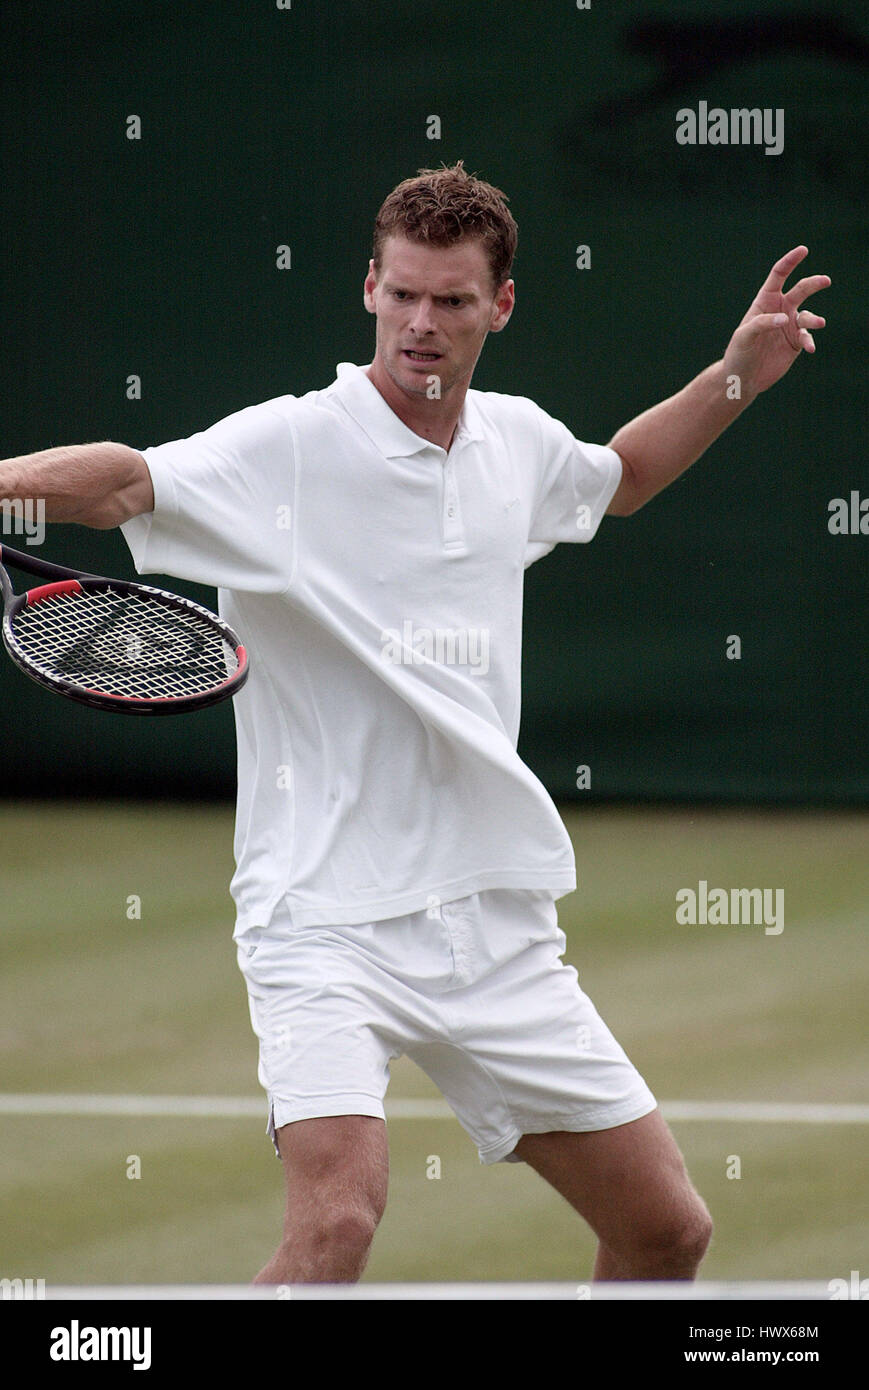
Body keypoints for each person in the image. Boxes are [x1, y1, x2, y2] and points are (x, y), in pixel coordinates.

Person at [0, 163, 828, 1285]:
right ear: (368, 290)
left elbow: (620, 478)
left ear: (500, 305)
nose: (419, 324)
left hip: (492, 918)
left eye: (448, 300)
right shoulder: (286, 447)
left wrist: (735, 377)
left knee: (666, 1230)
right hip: (321, 917)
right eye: (400, 295)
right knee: (336, 1223)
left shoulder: (518, 443)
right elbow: (120, 485)